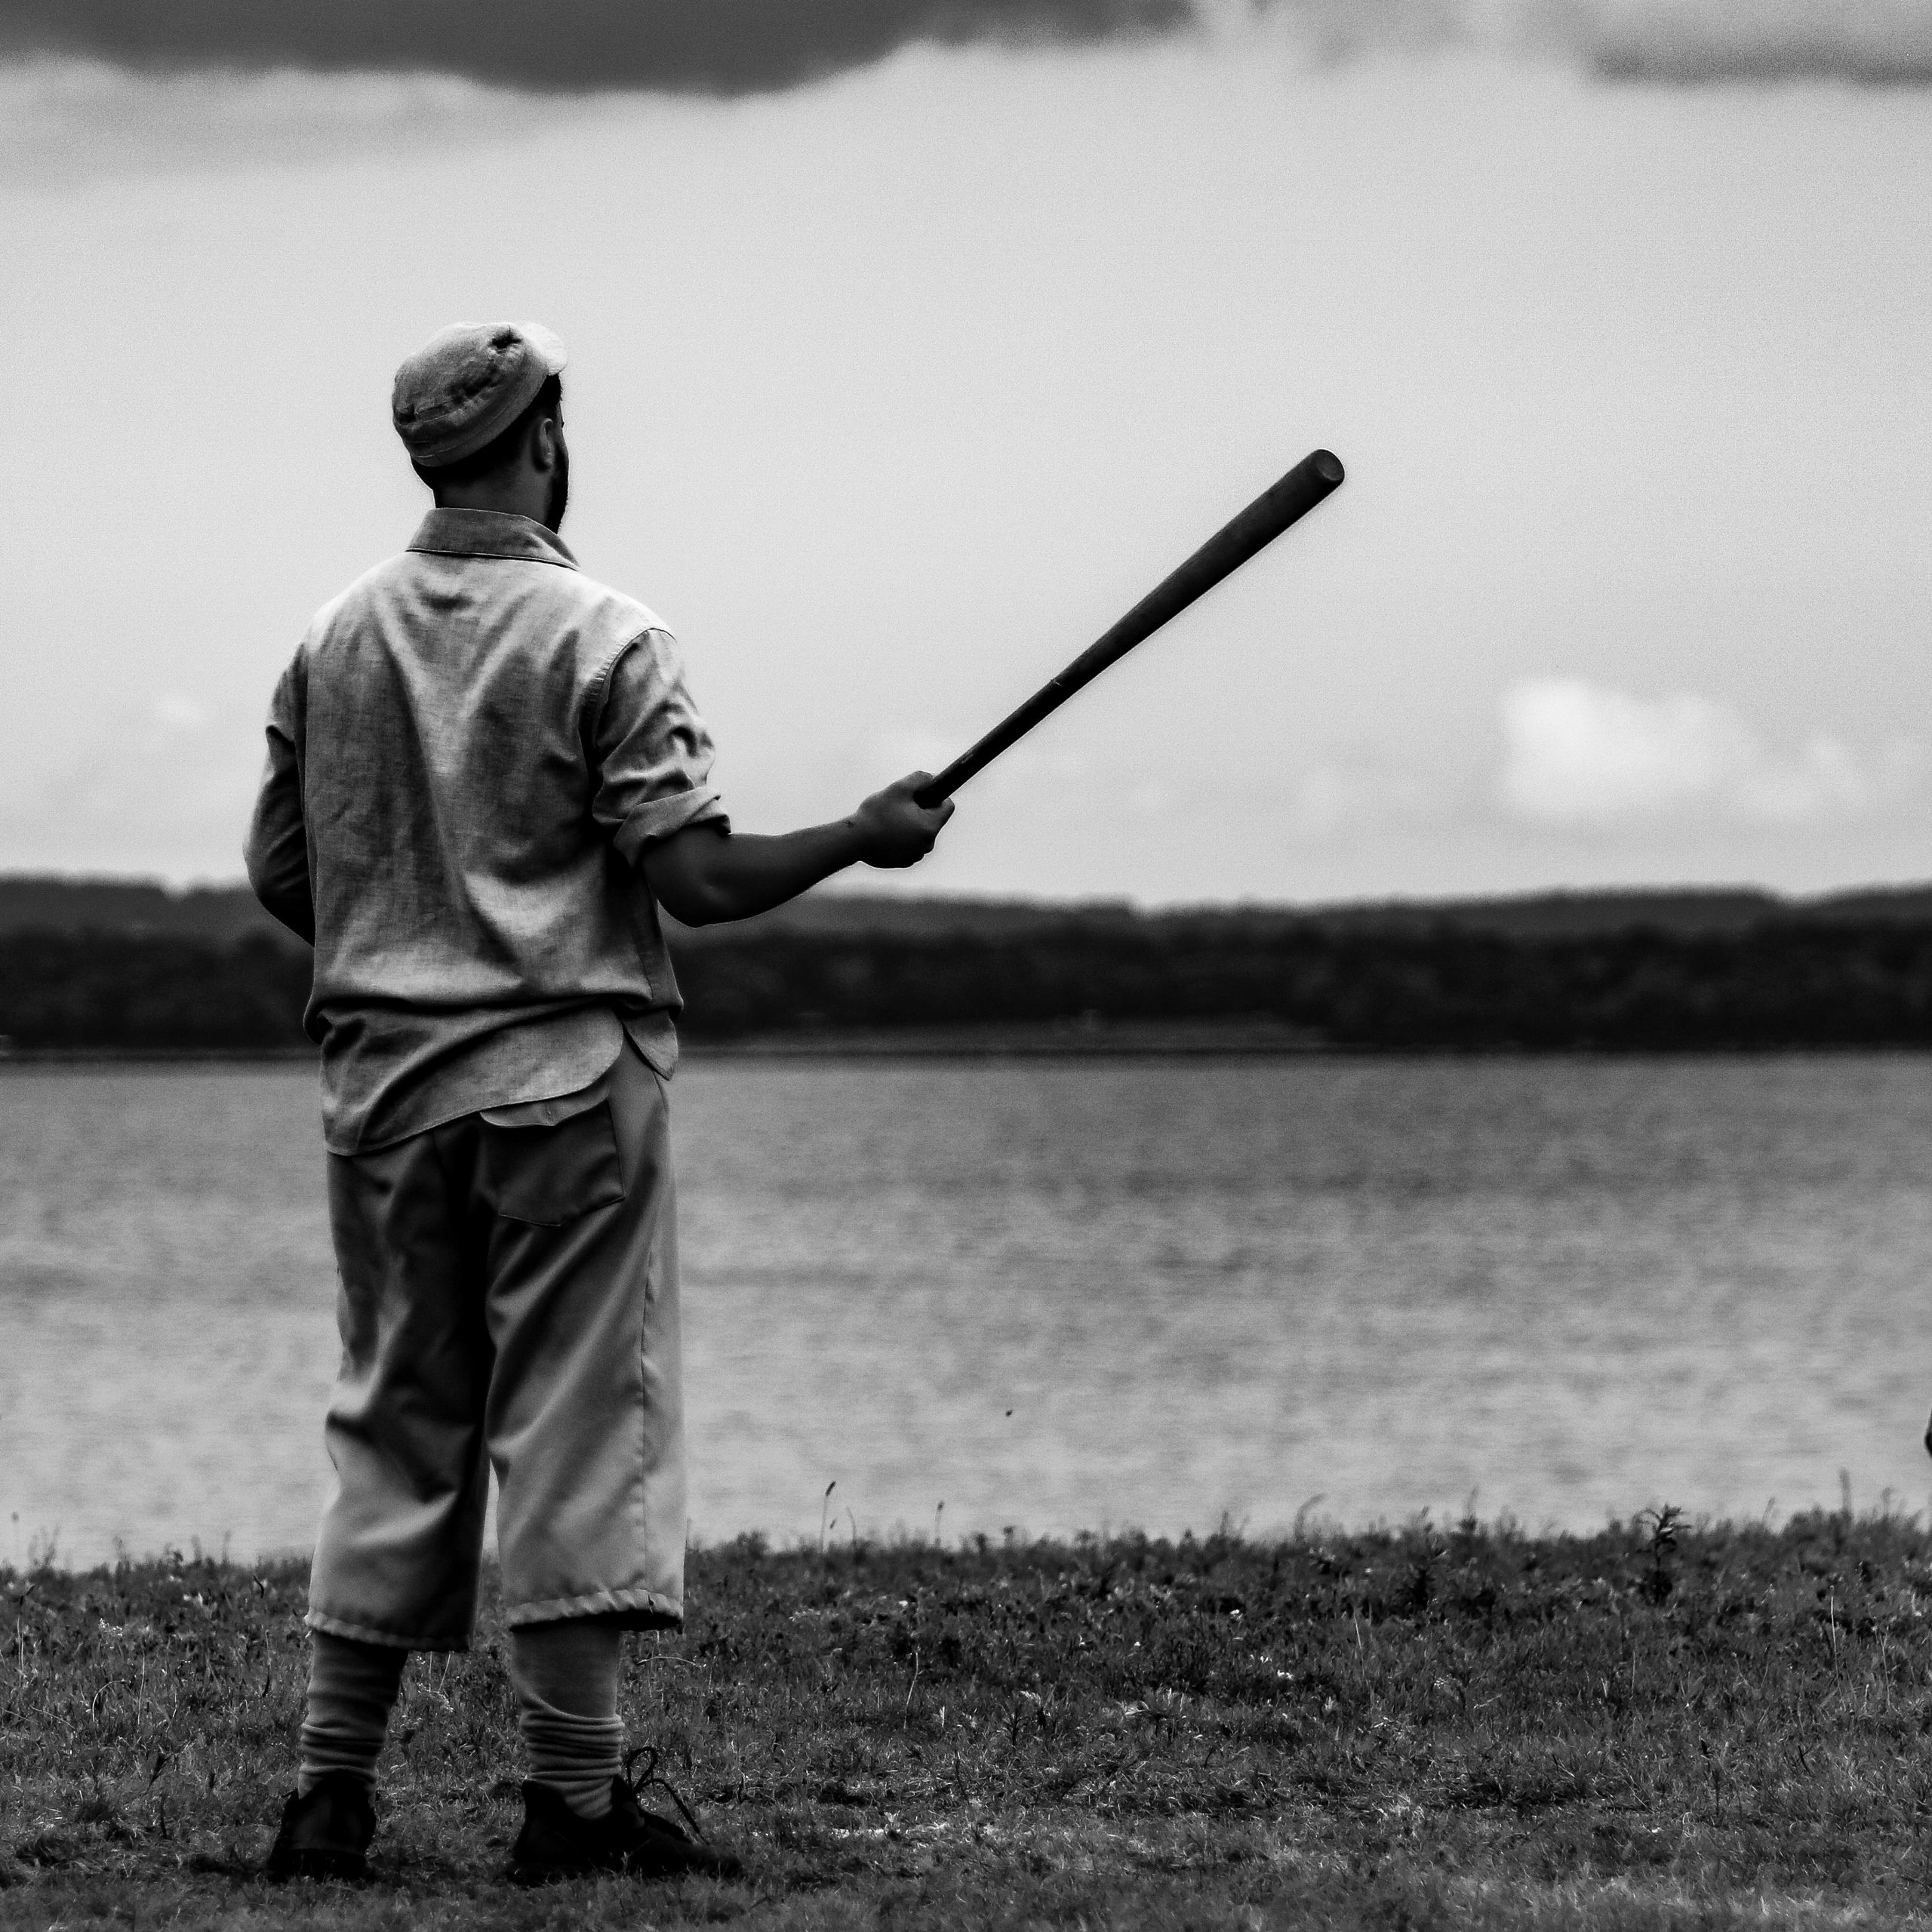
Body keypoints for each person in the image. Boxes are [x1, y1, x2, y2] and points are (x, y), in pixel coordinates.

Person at [243, 321, 952, 1885]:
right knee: (574, 1426)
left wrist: (415, 943)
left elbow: (287, 874)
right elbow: (693, 877)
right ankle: (572, 1805)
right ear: (545, 435)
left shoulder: (335, 634)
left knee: (393, 1418)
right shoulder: (606, 633)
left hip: (382, 1089)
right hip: (565, 1084)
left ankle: (327, 1797)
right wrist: (861, 831)